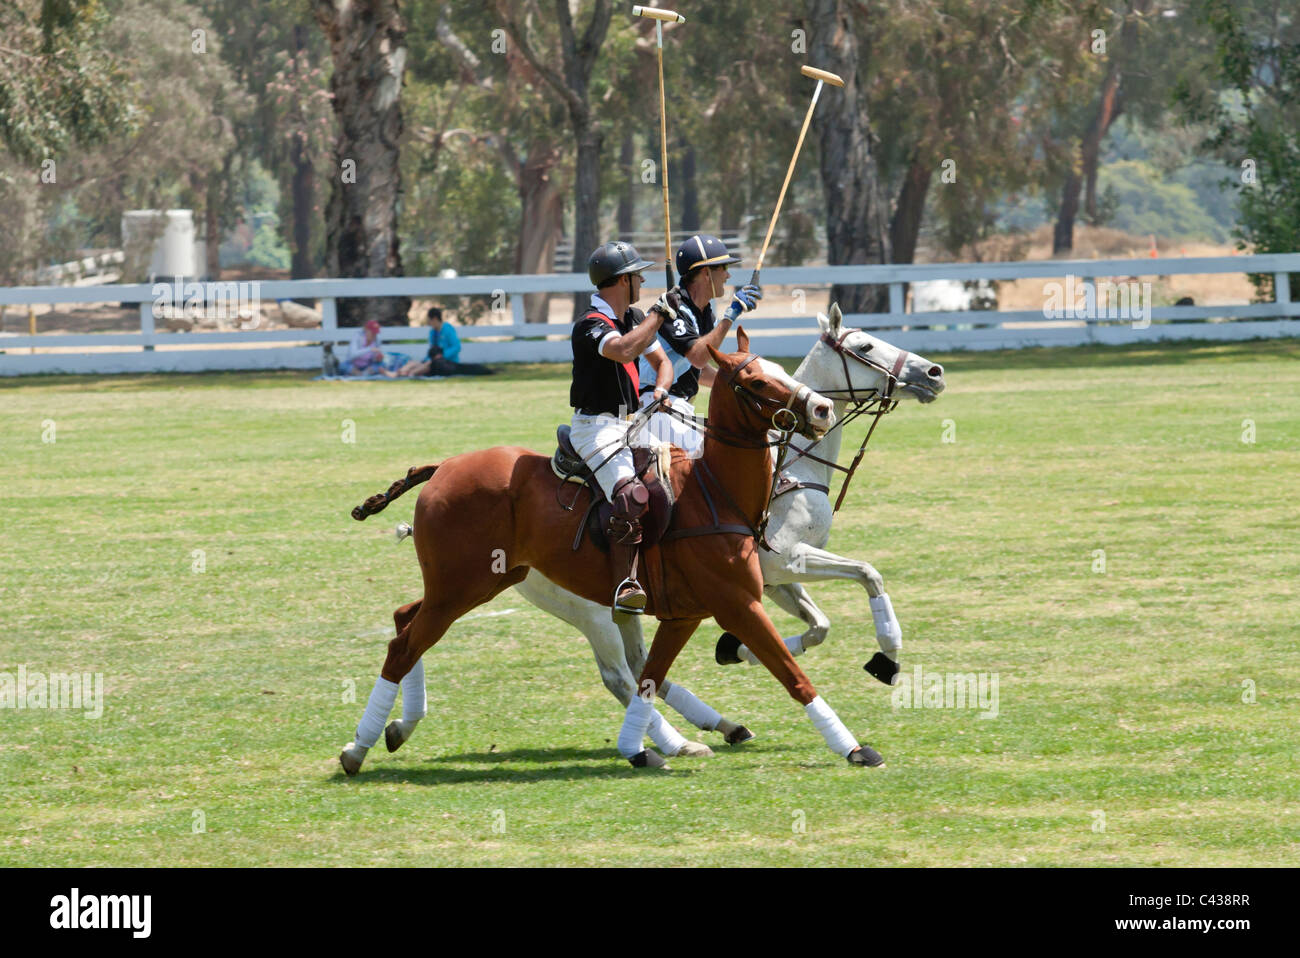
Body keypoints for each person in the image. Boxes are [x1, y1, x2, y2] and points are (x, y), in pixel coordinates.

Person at [569, 241, 676, 618]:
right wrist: (659, 314)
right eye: (637, 275)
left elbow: (661, 361)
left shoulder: (632, 318)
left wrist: (660, 390)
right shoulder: (589, 325)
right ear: (621, 281)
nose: (644, 279)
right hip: (594, 427)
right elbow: (624, 351)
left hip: (632, 421)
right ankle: (625, 584)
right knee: (631, 494)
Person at [636, 234, 762, 454]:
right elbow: (698, 356)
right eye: (723, 268)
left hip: (676, 407)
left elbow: (698, 369)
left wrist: (741, 387)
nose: (728, 275)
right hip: (651, 405)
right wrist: (731, 315)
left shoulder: (704, 314)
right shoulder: (673, 310)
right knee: (715, 457)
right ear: (706, 273)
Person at [399, 307, 461, 377]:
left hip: (449, 363)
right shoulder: (432, 332)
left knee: (429, 364)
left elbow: (457, 347)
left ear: (434, 319)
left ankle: (410, 374)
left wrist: (441, 356)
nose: (428, 323)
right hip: (434, 362)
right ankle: (400, 373)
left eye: (429, 320)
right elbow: (432, 351)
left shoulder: (447, 329)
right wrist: (427, 360)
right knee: (413, 363)